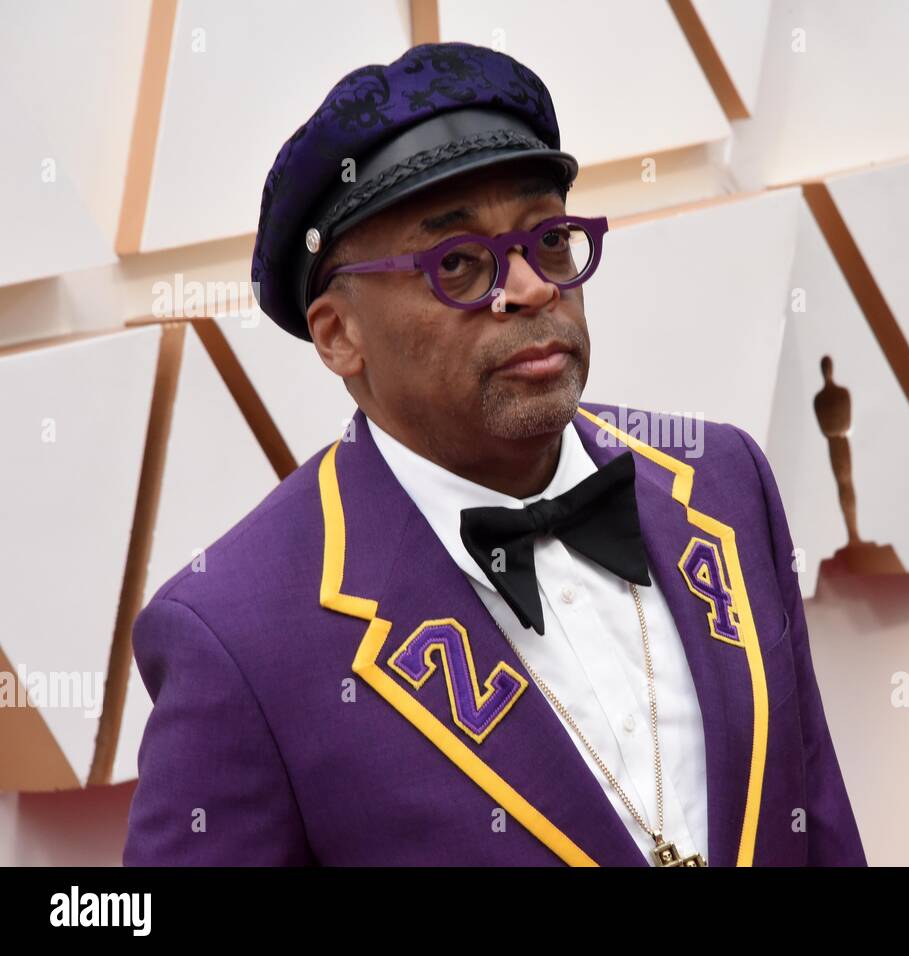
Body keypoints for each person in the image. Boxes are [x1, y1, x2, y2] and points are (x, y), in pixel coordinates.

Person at [123, 41, 866, 867]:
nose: (533, 288)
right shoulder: (238, 637)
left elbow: (818, 823)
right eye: (459, 264)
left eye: (550, 241)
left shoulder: (725, 484)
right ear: (340, 336)